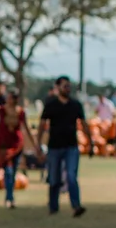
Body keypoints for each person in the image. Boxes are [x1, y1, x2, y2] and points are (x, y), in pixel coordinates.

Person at [38, 76, 88, 217]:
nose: (67, 89)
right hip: (54, 146)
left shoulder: (75, 105)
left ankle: (76, 205)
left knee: (72, 176)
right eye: (65, 86)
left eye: (69, 86)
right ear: (58, 87)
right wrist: (38, 144)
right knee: (54, 178)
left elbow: (83, 123)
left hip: (71, 146)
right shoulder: (51, 104)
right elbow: (42, 124)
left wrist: (90, 141)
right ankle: (53, 206)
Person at [0, 91, 29, 208]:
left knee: (13, 172)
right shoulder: (1, 110)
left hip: (17, 146)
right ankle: (9, 197)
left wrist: (35, 146)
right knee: (8, 172)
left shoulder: (21, 112)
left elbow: (26, 128)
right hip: (4, 146)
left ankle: (9, 197)